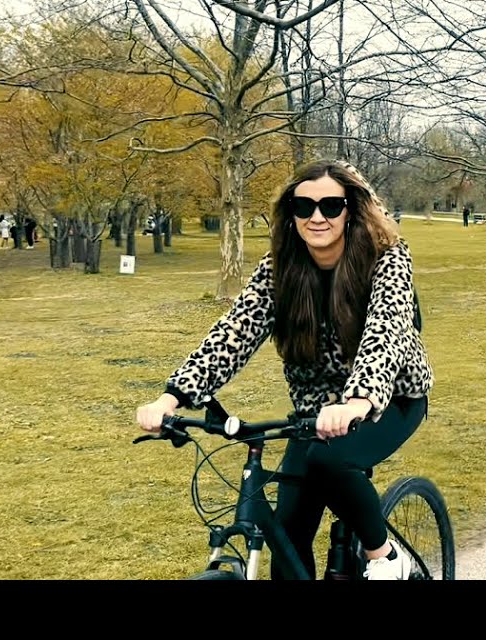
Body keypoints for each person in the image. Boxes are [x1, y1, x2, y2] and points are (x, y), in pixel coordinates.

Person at [135, 160, 432, 581]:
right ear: (289, 213)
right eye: (303, 205)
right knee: (287, 535)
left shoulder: (387, 259)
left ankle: (384, 557)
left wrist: (358, 400)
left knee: (332, 461)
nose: (317, 217)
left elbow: (385, 332)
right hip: (313, 413)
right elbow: (233, 333)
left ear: (352, 210)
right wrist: (171, 397)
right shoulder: (279, 269)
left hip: (391, 398)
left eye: (331, 205)